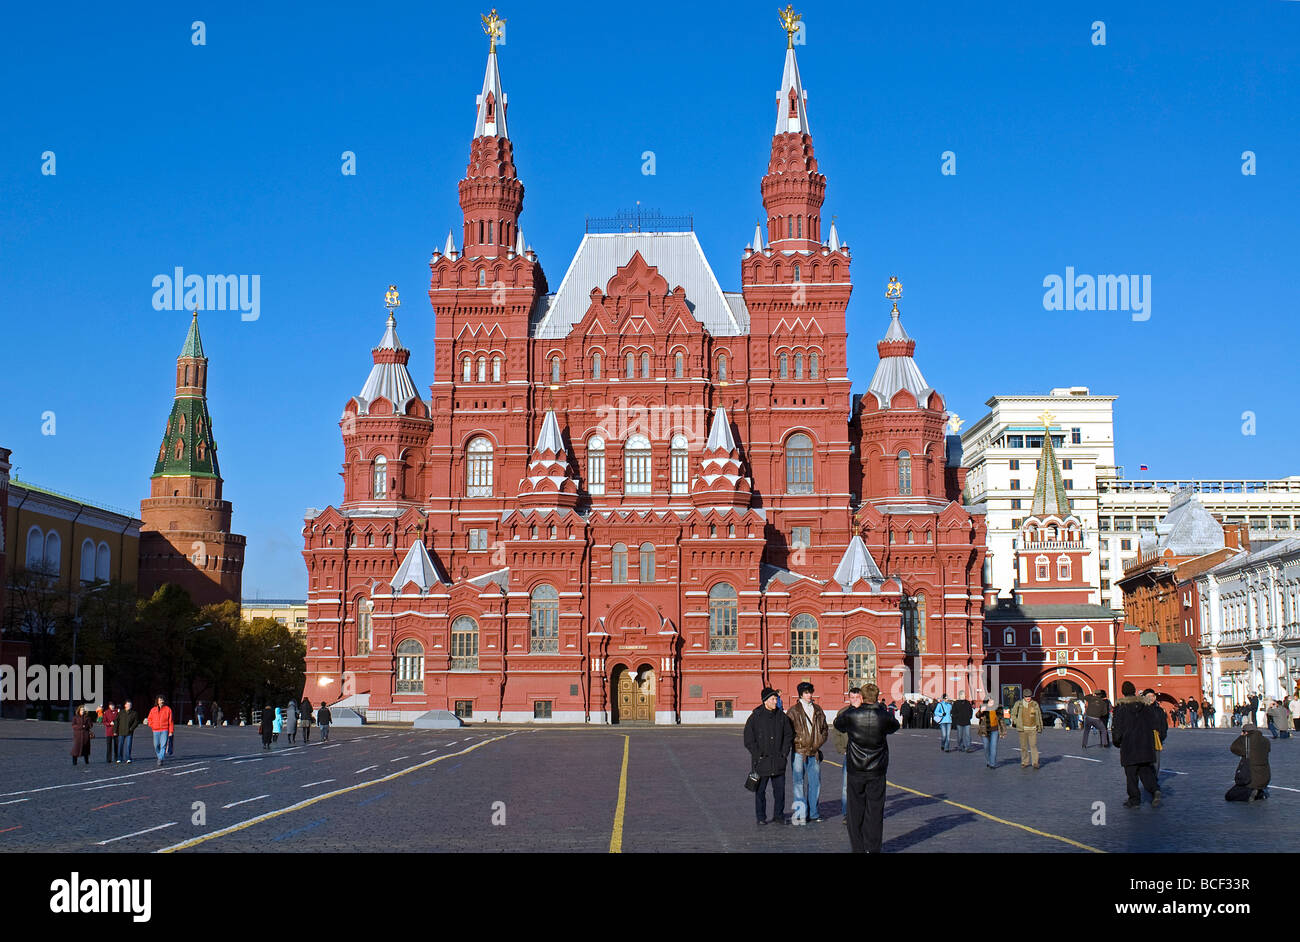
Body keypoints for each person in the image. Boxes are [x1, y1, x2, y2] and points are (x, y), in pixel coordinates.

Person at [833, 683, 899, 853]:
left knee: (855, 811)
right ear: (877, 696)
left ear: (861, 697)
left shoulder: (852, 715)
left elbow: (837, 724)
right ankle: (873, 848)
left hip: (856, 768)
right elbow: (895, 726)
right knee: (875, 811)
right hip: (877, 769)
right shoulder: (883, 716)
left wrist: (852, 709)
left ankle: (858, 848)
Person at [744, 687, 793, 825]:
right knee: (760, 792)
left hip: (778, 760)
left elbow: (788, 735)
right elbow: (748, 739)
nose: (775, 701)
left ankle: (779, 815)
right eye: (772, 699)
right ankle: (761, 817)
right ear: (765, 701)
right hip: (762, 761)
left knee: (780, 792)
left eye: (776, 698)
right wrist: (758, 754)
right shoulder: (755, 717)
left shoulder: (782, 717)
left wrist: (784, 753)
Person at [1112, 682, 1164, 808]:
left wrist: (1117, 741)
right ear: (1135, 690)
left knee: (1131, 775)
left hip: (1129, 745)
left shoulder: (1121, 707)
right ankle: (1155, 790)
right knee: (1146, 771)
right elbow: (1154, 723)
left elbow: (1117, 728)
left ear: (1123, 692)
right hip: (1145, 744)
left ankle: (1134, 800)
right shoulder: (1145, 705)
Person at [786, 681, 828, 823]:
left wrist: (819, 742)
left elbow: (824, 729)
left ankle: (814, 813)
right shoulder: (793, 711)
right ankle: (801, 814)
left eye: (810, 692)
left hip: (814, 752)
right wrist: (797, 742)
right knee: (798, 783)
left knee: (815, 783)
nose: (809, 695)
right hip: (799, 752)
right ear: (800, 695)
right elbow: (788, 732)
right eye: (806, 693)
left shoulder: (818, 709)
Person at [1225, 722, 1271, 802]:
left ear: (1246, 732)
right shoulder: (1266, 741)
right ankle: (1259, 792)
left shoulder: (1246, 739)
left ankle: (1253, 792)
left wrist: (1241, 736)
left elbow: (1234, 748)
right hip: (1265, 777)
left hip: (1250, 778)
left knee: (1230, 796)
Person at [1011, 690, 1043, 769]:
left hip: (1033, 728)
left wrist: (1040, 726)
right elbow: (1013, 714)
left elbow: (1038, 715)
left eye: (1029, 696)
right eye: (1026, 696)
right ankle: (1025, 762)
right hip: (1022, 728)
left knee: (1033, 745)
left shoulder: (1035, 704)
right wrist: (1016, 722)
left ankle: (1035, 762)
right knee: (1024, 746)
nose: (1028, 698)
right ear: (1023, 697)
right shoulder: (1019, 704)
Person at [1143, 689, 1167, 774]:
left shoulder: (1159, 710)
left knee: (1156, 762)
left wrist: (1162, 735)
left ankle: (1154, 781)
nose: (1151, 698)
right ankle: (1148, 781)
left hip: (1157, 739)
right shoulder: (1141, 710)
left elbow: (1164, 724)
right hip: (1144, 740)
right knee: (1145, 762)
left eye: (1153, 696)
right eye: (1148, 696)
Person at [147, 696, 174, 766]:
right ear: (157, 701)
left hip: (164, 730)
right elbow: (149, 719)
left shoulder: (168, 709)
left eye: (162, 700)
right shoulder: (153, 710)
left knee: (163, 745)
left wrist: (171, 731)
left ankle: (160, 759)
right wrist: (152, 725)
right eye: (160, 700)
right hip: (155, 730)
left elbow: (170, 721)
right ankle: (160, 756)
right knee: (156, 745)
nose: (161, 701)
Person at [978, 698, 1002, 768]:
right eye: (990, 700)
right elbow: (977, 715)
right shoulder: (983, 707)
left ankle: (992, 763)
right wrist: (981, 711)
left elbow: (1001, 719)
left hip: (995, 730)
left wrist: (1003, 731)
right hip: (984, 730)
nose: (992, 701)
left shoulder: (997, 707)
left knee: (993, 747)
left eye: (993, 700)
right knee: (986, 747)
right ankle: (988, 760)